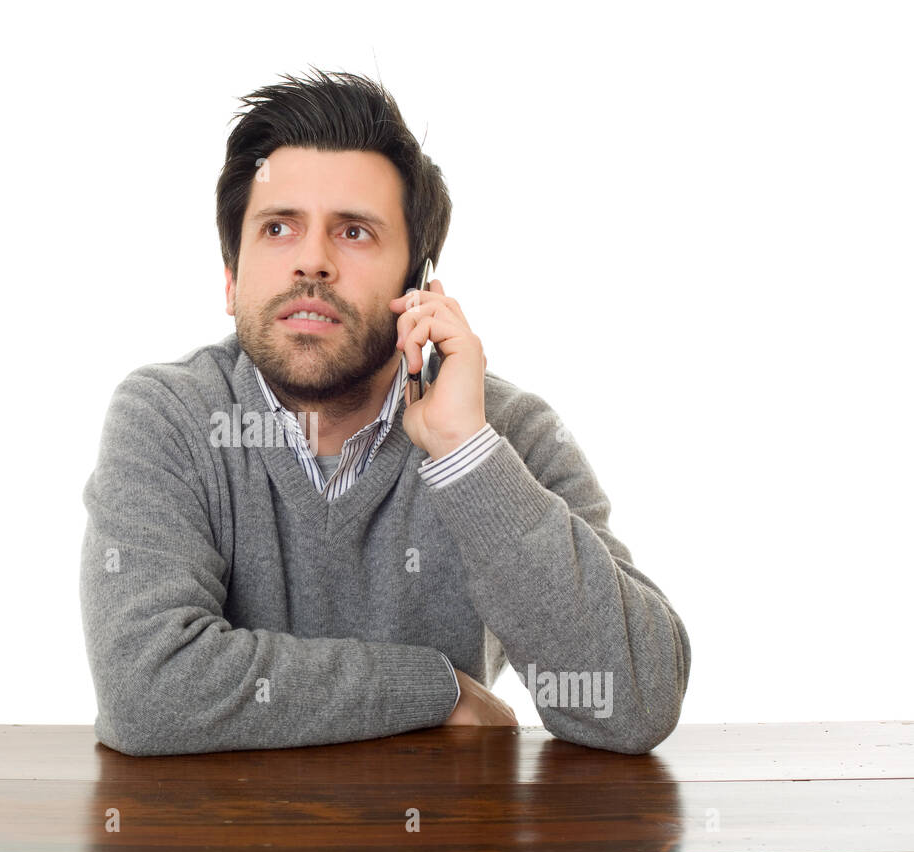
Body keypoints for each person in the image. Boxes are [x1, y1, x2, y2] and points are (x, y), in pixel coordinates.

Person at [79, 66, 690, 756]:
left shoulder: (504, 436)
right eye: (278, 228)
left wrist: (465, 455)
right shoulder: (169, 419)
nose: (312, 262)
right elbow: (147, 693)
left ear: (418, 287)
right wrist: (438, 690)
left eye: (354, 233)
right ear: (231, 280)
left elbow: (633, 701)